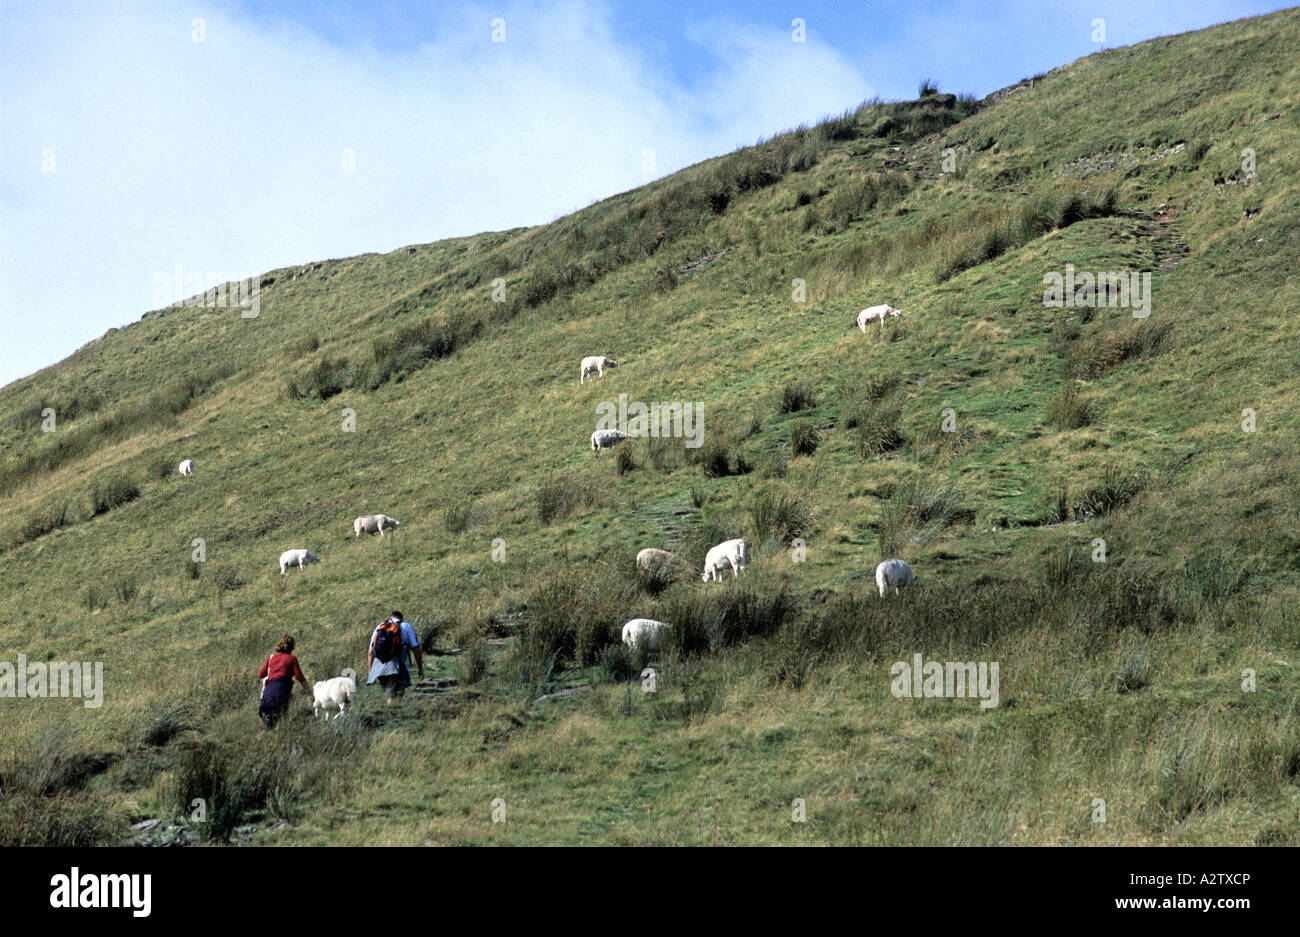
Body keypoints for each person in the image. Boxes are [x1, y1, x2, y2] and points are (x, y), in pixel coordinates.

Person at [366, 610, 424, 705]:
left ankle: (393, 715)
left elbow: (370, 652)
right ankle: (388, 716)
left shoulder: (380, 626)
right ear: (401, 618)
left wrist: (370, 672)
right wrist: (420, 668)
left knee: (393, 695)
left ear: (391, 617)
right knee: (394, 696)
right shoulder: (406, 626)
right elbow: (416, 648)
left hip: (378, 668)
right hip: (397, 667)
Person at [257, 635, 310, 729]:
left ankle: (270, 731)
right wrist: (309, 692)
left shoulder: (271, 658)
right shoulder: (292, 659)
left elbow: (261, 674)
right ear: (292, 647)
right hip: (283, 693)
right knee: (280, 718)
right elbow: (300, 677)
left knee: (265, 715)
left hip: (269, 693)